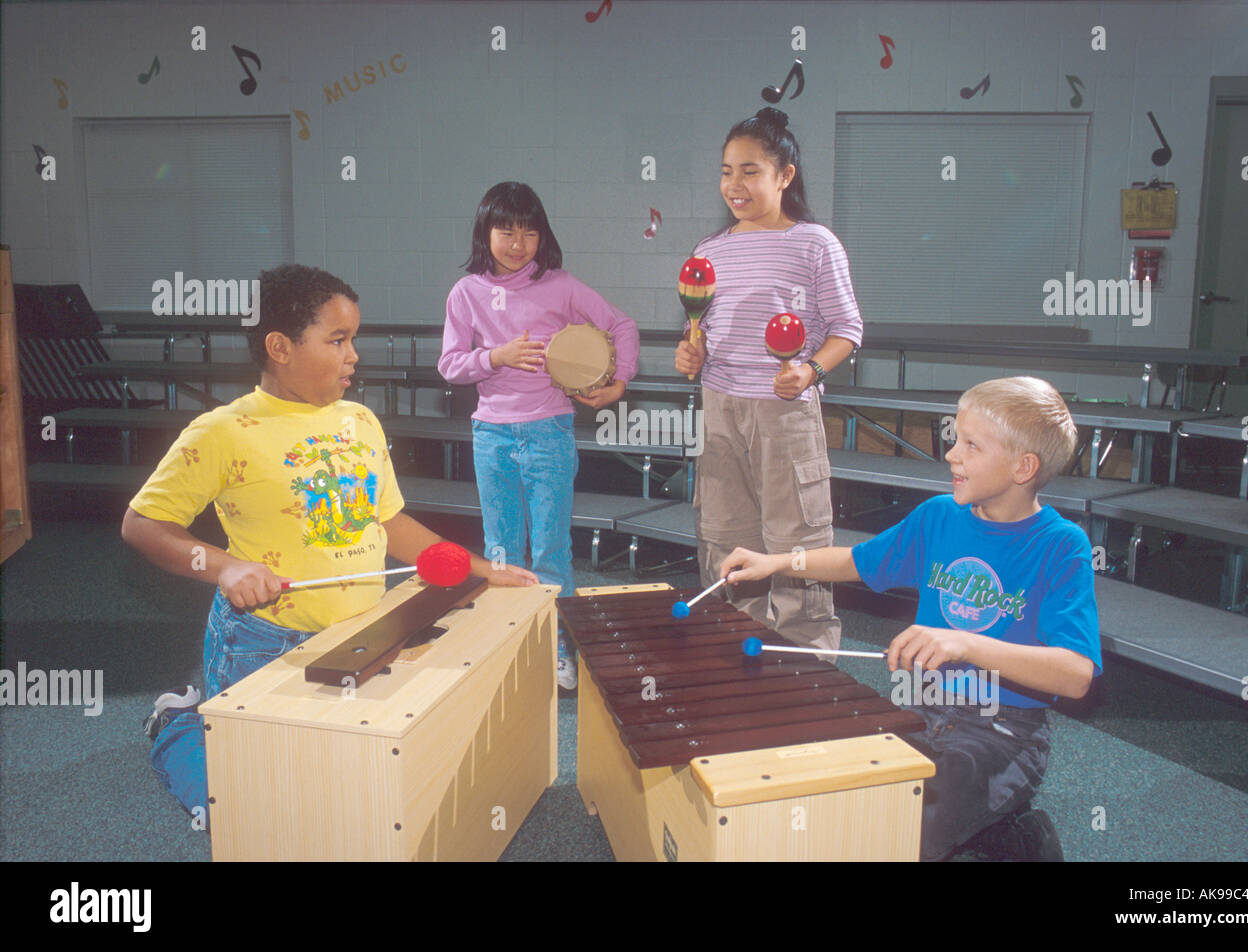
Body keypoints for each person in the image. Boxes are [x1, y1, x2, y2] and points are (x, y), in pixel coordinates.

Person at [123, 264, 536, 820]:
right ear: (280, 347)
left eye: (353, 340)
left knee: (341, 794)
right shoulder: (224, 431)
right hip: (264, 641)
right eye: (337, 340)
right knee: (249, 813)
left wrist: (482, 569)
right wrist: (224, 568)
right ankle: (177, 725)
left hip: (359, 631)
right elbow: (143, 524)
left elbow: (390, 522)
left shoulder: (361, 421)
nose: (353, 355)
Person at [719, 377, 1102, 861]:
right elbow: (858, 561)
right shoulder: (939, 516)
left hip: (1004, 729)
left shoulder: (1061, 546)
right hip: (920, 706)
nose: (952, 455)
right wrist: (776, 562)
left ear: (1024, 467)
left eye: (971, 445)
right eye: (955, 439)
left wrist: (964, 643)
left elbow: (1076, 675)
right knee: (835, 797)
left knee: (911, 826)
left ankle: (1018, 839)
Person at [675, 107, 863, 653]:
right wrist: (692, 353)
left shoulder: (815, 244)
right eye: (727, 170)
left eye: (750, 170)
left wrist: (810, 369)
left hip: (786, 414)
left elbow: (847, 329)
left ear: (785, 175)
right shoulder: (709, 252)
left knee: (795, 541)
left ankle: (806, 664)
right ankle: (735, 654)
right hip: (720, 409)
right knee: (725, 538)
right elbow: (701, 333)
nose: (735, 184)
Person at [439, 182, 640, 689]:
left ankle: (558, 649)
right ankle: (507, 647)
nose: (517, 242)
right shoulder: (466, 292)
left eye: (529, 231)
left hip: (549, 433)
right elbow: (449, 364)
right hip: (491, 436)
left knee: (550, 550)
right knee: (502, 550)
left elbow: (622, 326)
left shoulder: (562, 286)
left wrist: (618, 385)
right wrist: (495, 357)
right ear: (486, 232)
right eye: (506, 230)